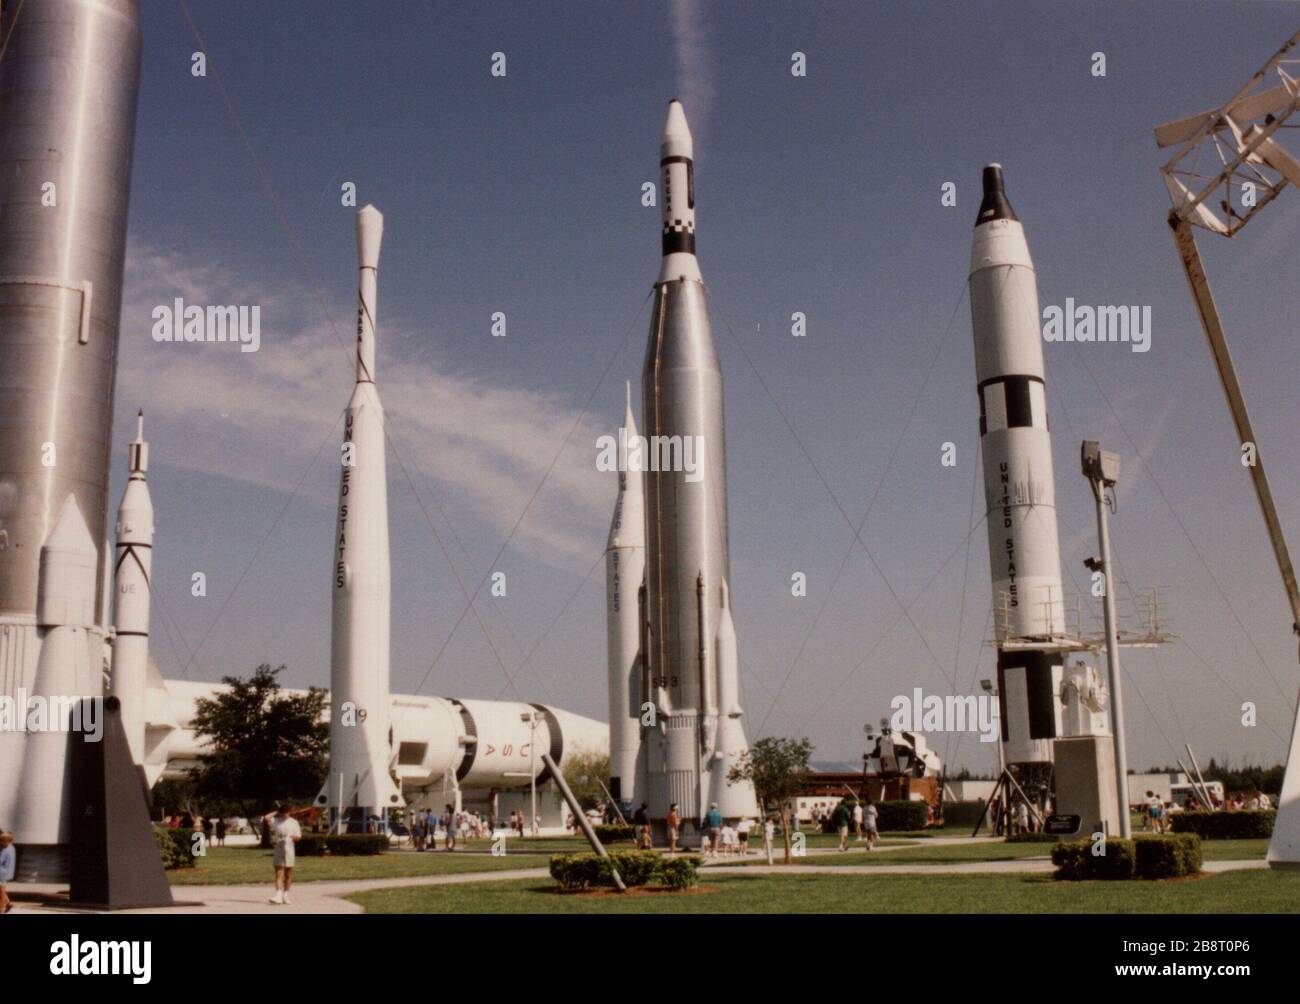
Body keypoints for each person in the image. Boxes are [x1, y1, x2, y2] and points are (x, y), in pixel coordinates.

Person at [265, 805, 302, 905]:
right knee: (278, 872)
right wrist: (277, 811)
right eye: (283, 812)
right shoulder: (276, 821)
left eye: (286, 812)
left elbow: (298, 837)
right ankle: (278, 895)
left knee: (288, 873)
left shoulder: (294, 822)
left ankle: (285, 895)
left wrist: (290, 838)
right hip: (279, 847)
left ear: (289, 812)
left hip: (289, 847)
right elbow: (266, 817)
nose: (284, 814)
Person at [0, 831, 15, 914]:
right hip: (6, 872)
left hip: (1, 873)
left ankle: (1, 908)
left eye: (1, 841)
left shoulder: (5, 849)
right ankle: (8, 903)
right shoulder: (11, 848)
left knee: (1, 891)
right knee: (1, 890)